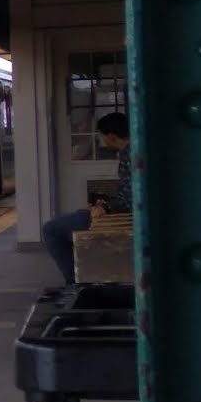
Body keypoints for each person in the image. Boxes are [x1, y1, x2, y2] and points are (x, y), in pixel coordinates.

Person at [41, 112, 131, 285]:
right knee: (79, 214)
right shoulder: (135, 152)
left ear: (111, 137)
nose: (103, 142)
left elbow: (131, 197)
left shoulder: (129, 156)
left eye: (103, 138)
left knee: (52, 230)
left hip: (123, 217)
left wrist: (106, 208)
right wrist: (105, 202)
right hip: (124, 212)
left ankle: (75, 282)